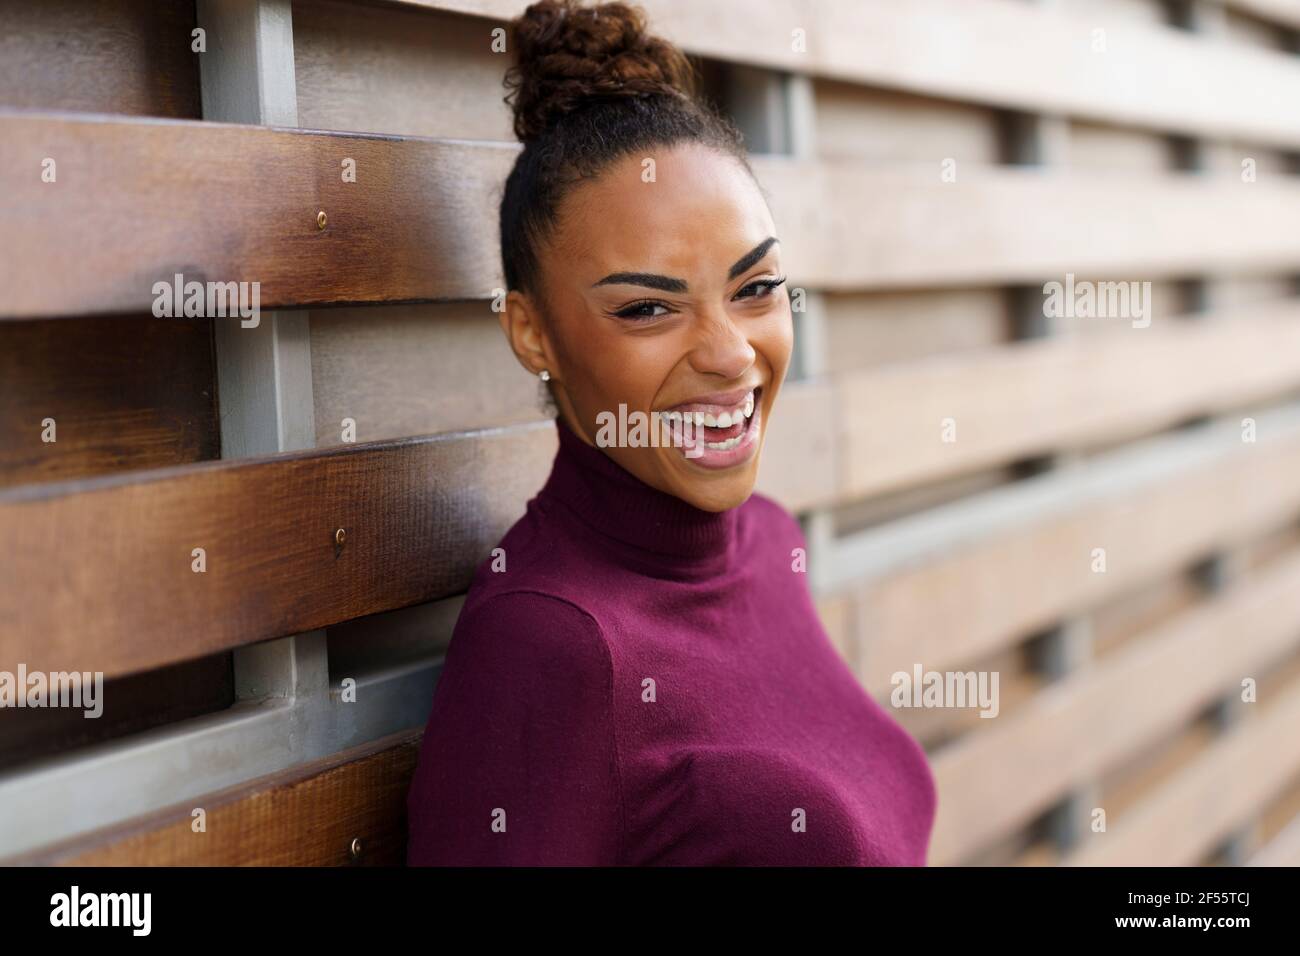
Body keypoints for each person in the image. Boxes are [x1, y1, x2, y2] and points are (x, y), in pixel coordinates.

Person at [406, 0, 936, 865]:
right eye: (648, 308)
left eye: (755, 288)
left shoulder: (767, 539)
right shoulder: (550, 643)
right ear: (532, 332)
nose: (730, 356)